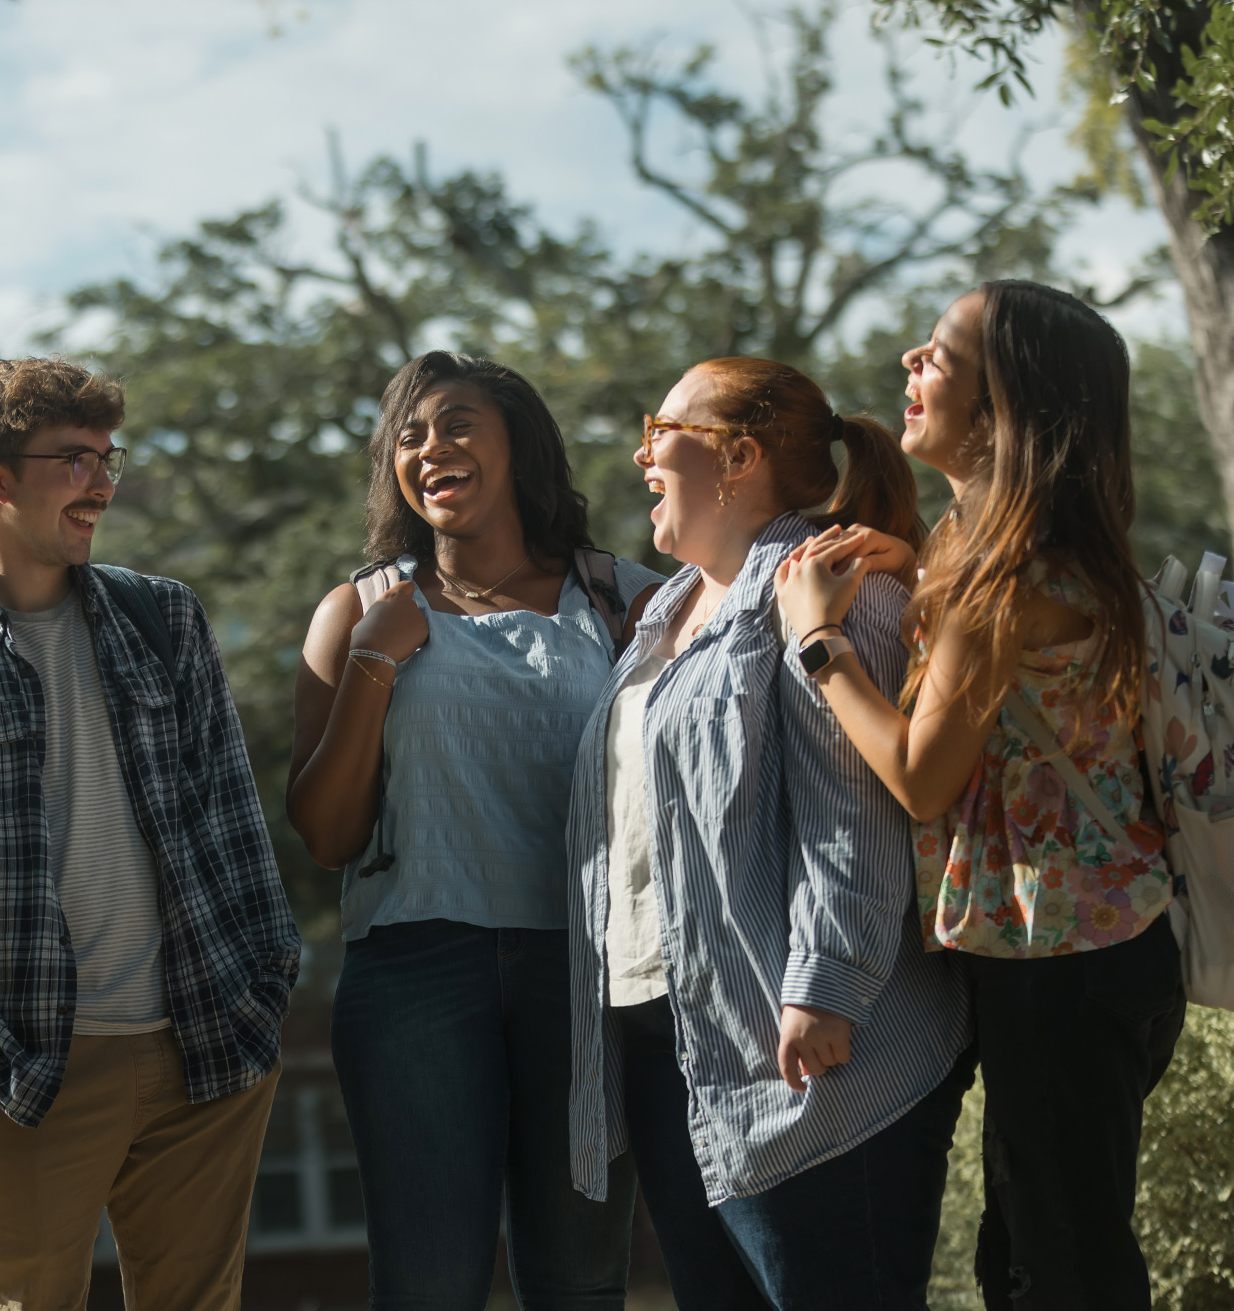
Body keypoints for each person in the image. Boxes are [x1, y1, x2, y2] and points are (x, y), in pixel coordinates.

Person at [0, 357, 302, 1310]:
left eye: (107, 459)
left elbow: (230, 813)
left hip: (207, 1040)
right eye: (75, 461)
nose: (102, 484)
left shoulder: (164, 617)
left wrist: (263, 984)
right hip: (27, 1063)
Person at [777, 281, 1185, 1310]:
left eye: (939, 354)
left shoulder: (1001, 574)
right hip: (1077, 953)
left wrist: (817, 644)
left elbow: (920, 778)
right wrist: (915, 570)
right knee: (1032, 1252)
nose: (910, 361)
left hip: (1067, 965)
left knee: (1059, 1266)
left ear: (1004, 404)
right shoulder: (1005, 548)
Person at [562, 357, 972, 1310]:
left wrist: (827, 983)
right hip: (674, 1038)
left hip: (818, 1053)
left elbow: (854, 808)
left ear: (736, 457)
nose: (639, 452)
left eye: (659, 429)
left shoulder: (831, 586)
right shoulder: (663, 615)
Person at [288, 351, 661, 1310]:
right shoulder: (359, 610)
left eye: (456, 424)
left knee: (581, 1281)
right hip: (415, 968)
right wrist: (374, 662)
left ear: (518, 444)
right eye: (408, 437)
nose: (429, 448)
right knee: (426, 1284)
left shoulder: (629, 602)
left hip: (588, 971)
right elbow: (326, 834)